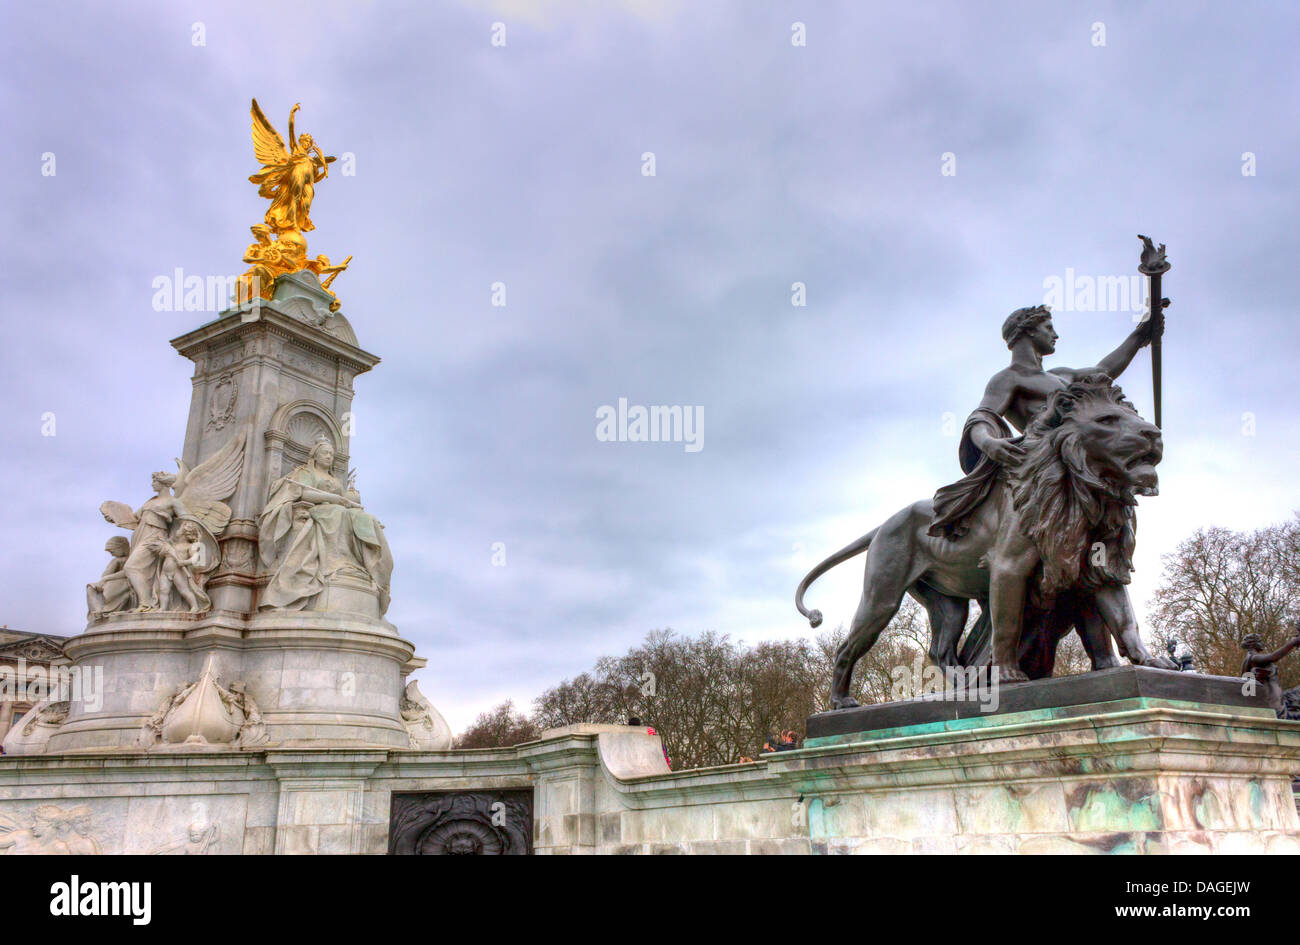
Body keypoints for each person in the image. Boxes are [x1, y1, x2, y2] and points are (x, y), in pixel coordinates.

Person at [1241, 623, 1300, 712]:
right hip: (1276, 708)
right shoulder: (1253, 658)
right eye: (1260, 641)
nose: (1262, 643)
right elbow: (1273, 657)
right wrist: (1293, 643)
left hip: (1275, 701)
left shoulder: (1250, 659)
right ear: (1252, 644)